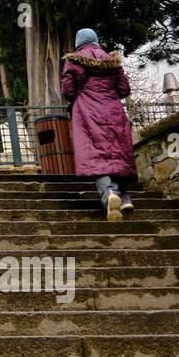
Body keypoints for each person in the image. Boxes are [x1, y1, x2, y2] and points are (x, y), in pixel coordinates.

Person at [59, 28, 136, 221]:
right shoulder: (113, 61)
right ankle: (125, 197)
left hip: (87, 111)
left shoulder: (73, 60)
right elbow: (124, 89)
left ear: (78, 43)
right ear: (95, 41)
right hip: (113, 111)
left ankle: (109, 194)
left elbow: (67, 91)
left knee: (96, 153)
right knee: (117, 152)